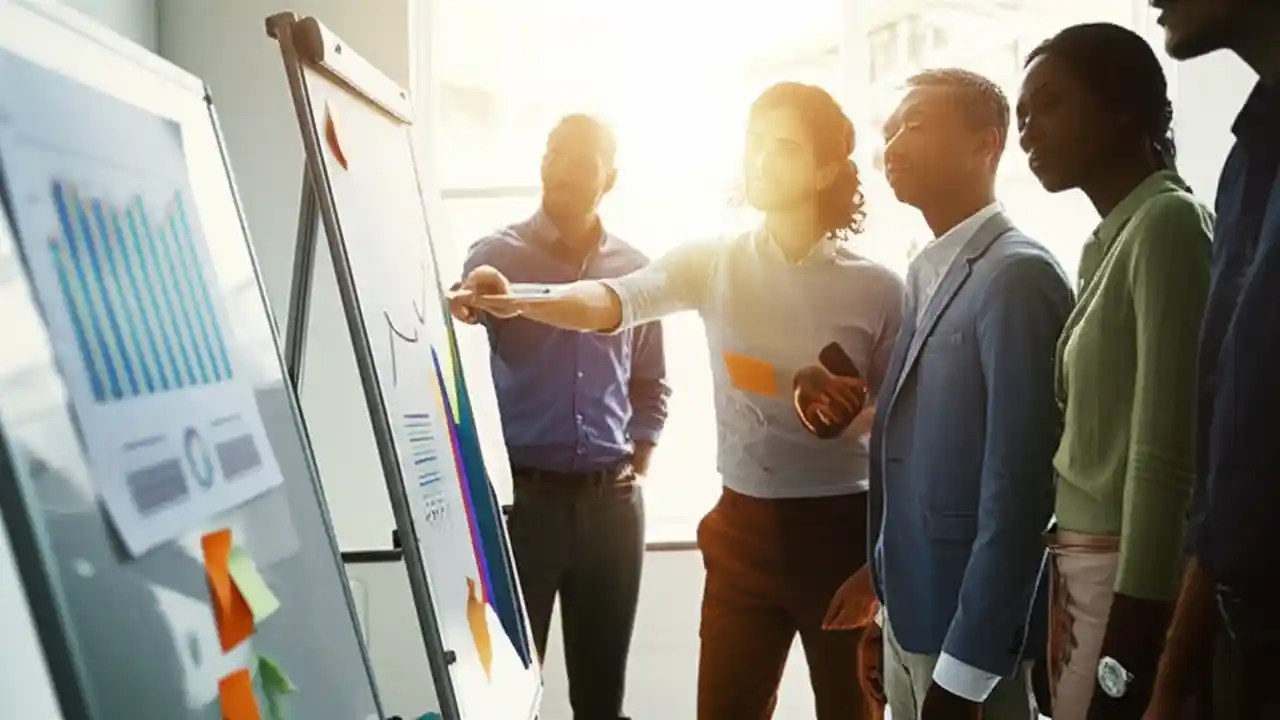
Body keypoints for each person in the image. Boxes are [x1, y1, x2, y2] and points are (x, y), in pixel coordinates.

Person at [454, 81, 905, 720]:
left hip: (841, 538)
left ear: (827, 167)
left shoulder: (879, 290)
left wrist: (877, 568)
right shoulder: (712, 262)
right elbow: (616, 299)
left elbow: (902, 438)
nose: (760, 159)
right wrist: (518, 298)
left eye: (783, 147)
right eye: (754, 142)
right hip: (741, 533)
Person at [1017, 23, 1213, 720]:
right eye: (1020, 117)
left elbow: (1166, 459)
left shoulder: (1169, 225)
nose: (1028, 131)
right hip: (1081, 578)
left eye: (1049, 104)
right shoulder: (1108, 241)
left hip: (1130, 581)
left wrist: (1131, 642)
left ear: (1122, 105)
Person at [450, 114, 670, 720]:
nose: (560, 167)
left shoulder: (636, 267)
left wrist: (636, 464)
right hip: (526, 510)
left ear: (611, 177)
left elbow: (651, 383)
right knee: (507, 696)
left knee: (602, 701)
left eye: (579, 158)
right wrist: (470, 304)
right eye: (552, 152)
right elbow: (462, 325)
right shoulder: (497, 255)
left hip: (613, 512)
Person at [869, 68, 1072, 720]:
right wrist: (884, 614)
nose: (893, 144)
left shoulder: (1018, 276)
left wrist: (970, 669)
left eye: (916, 125)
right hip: (910, 618)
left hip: (968, 646)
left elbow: (1020, 490)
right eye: (890, 129)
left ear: (985, 145)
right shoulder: (925, 271)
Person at [1145, 1, 1280, 718]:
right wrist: (1178, 669)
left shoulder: (1169, 222)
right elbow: (1229, 451)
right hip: (1241, 634)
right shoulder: (1249, 158)